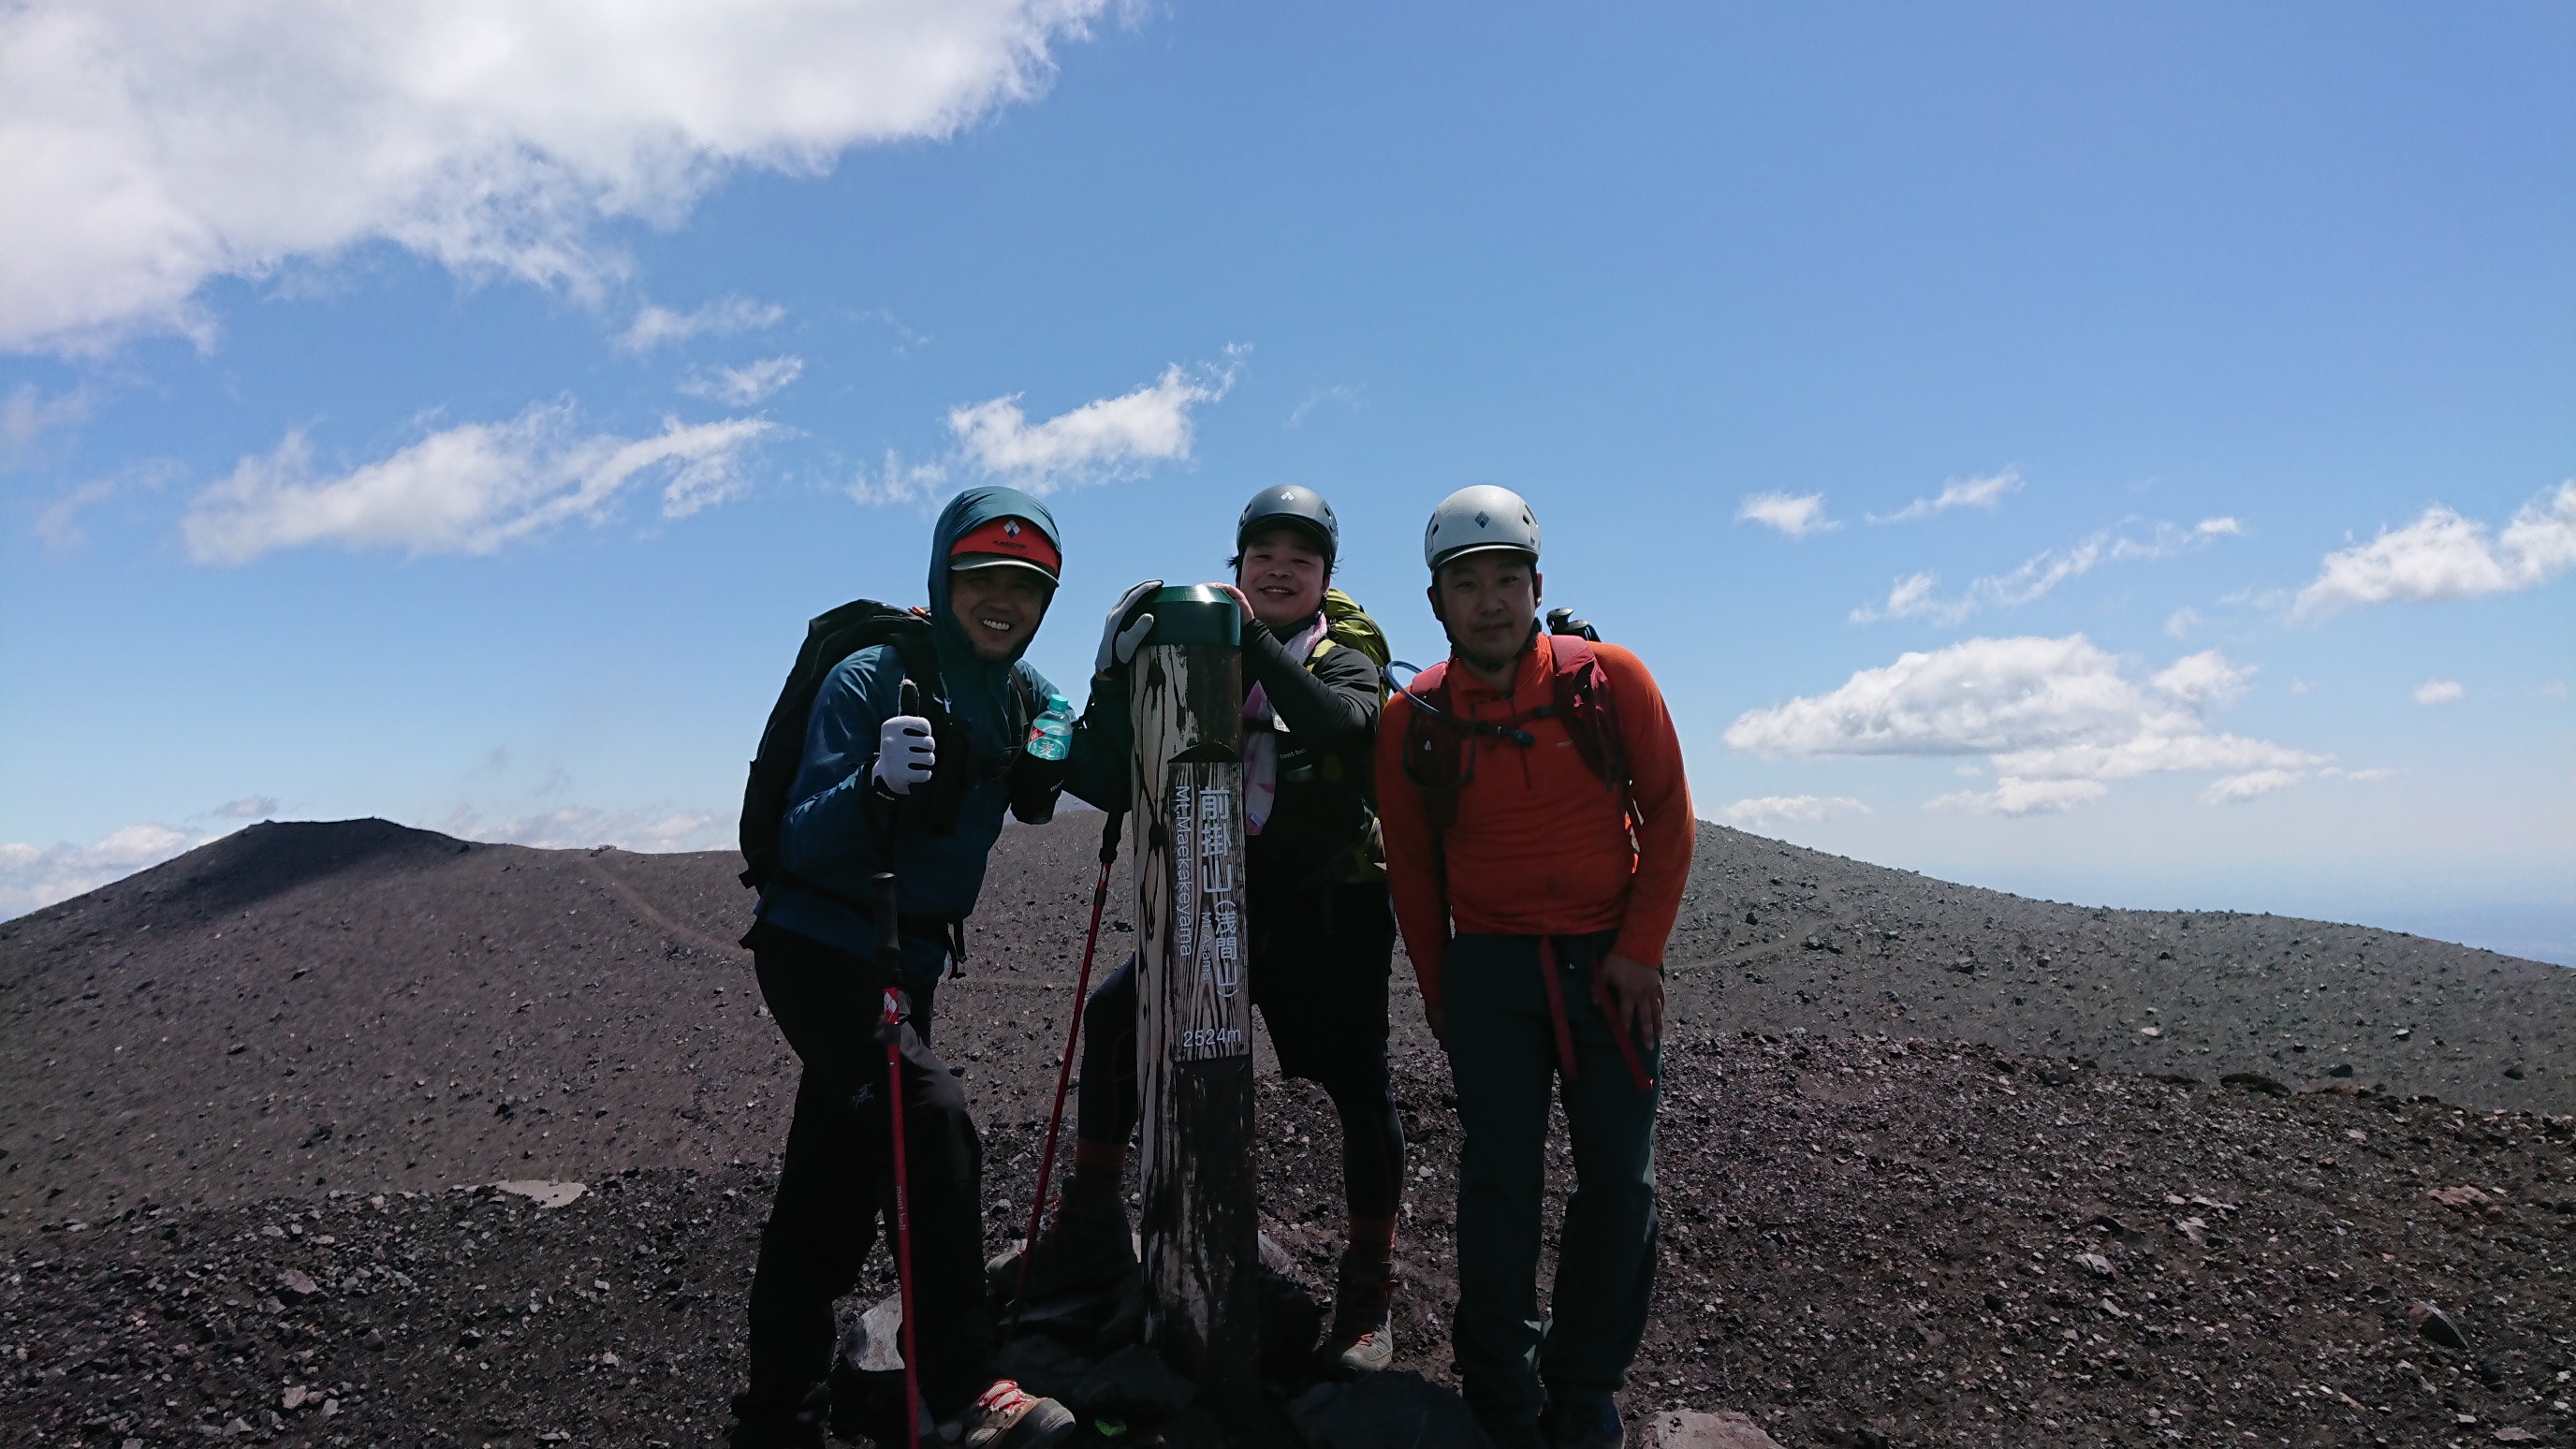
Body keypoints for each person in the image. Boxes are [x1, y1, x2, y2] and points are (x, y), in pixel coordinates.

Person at [729, 486, 1133, 1449]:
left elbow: (1100, 782)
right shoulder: (876, 674)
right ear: (944, 576)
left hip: (905, 959)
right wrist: (870, 783)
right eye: (983, 578)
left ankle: (776, 1411)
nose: (1003, 601)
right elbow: (796, 833)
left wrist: (1115, 676)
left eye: (1027, 588)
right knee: (933, 1121)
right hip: (820, 944)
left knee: (830, 1178)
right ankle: (963, 1387)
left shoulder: (1028, 695)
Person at [1003, 484, 1410, 1374]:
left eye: (1300, 559)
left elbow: (1343, 729)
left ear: (1325, 576)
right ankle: (1094, 1222)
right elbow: (1112, 777)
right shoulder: (1194, 648)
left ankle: (1369, 1286)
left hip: (1328, 908)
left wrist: (1249, 640)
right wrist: (1113, 677)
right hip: (1216, 900)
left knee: (1357, 1086)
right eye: (1263, 555)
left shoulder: (1347, 651)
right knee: (1118, 1022)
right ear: (1238, 564)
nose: (1279, 568)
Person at [1372, 486, 1692, 1449]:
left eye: (1506, 580)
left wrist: (1638, 954)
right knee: (1500, 1180)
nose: (1490, 601)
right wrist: (1442, 996)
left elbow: (1671, 822)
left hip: (1608, 966)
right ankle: (1501, 1391)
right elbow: (1415, 877)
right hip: (1491, 976)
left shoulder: (1611, 681)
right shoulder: (1413, 717)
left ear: (1536, 584)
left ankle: (1585, 1381)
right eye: (1466, 584)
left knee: (1619, 1183)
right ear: (1436, 603)